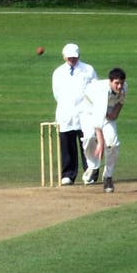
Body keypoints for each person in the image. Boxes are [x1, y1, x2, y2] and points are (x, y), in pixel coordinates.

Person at [51, 43, 97, 185]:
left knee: (88, 142)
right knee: (67, 144)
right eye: (69, 57)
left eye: (74, 57)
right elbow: (56, 93)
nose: (72, 60)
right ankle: (68, 175)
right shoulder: (58, 72)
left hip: (85, 112)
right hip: (66, 113)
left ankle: (90, 172)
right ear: (64, 56)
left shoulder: (88, 70)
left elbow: (95, 89)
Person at [80, 68, 128, 193]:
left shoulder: (124, 87)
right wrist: (101, 143)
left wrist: (115, 114)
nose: (119, 86)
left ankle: (108, 177)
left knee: (113, 144)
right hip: (88, 111)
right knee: (90, 138)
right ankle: (92, 166)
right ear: (110, 82)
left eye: (121, 83)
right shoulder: (102, 91)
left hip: (107, 111)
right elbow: (97, 121)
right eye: (116, 83)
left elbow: (121, 102)